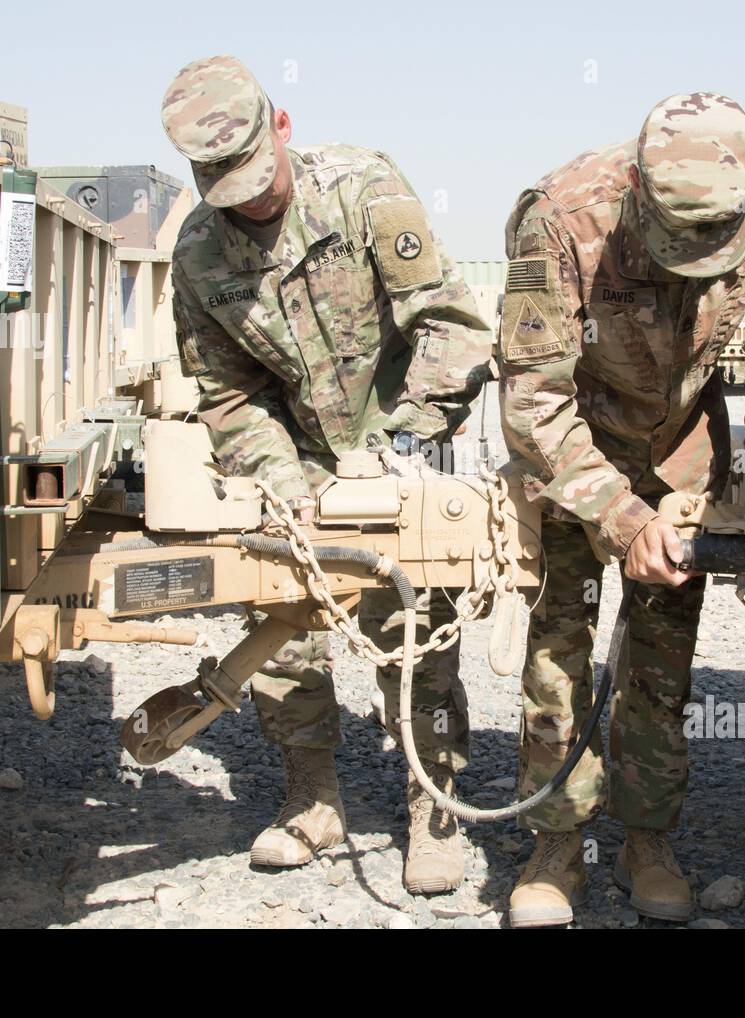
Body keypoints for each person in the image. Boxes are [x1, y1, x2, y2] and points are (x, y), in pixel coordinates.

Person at [161, 55, 491, 894]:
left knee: (416, 632)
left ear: (283, 127)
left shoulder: (362, 189)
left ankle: (433, 805)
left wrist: (407, 444)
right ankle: (312, 802)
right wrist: (282, 478)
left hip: (398, 439)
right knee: (285, 631)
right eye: (224, 185)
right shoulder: (199, 254)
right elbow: (227, 392)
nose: (251, 201)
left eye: (258, 177)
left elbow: (450, 325)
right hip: (297, 458)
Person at [497, 92, 745, 927]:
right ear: (638, 189)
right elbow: (533, 400)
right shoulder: (560, 219)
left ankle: (648, 840)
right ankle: (556, 845)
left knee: (661, 667)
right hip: (574, 456)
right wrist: (620, 516)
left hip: (682, 451)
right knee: (558, 657)